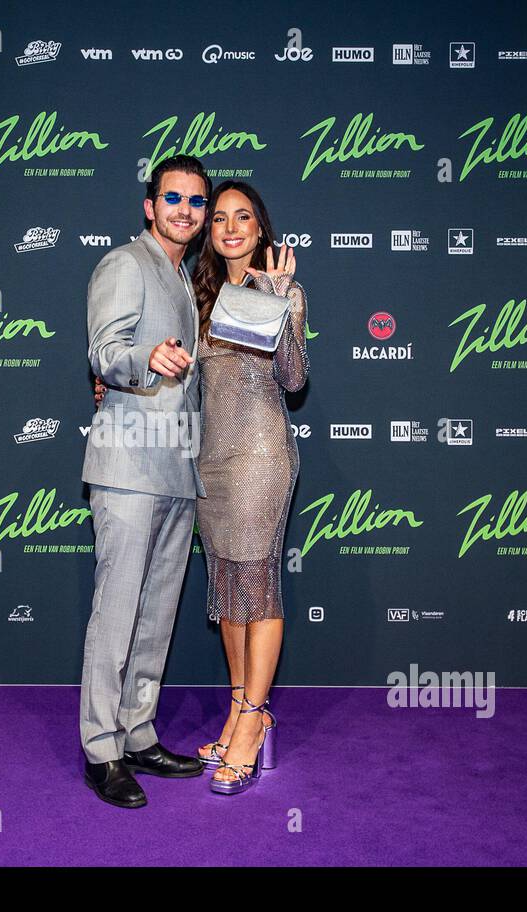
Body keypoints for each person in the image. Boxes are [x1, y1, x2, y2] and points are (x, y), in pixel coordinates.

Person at [78, 155, 211, 808]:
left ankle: (138, 731)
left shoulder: (185, 279)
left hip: (176, 470)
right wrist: (141, 360)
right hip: (129, 469)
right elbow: (106, 350)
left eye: (196, 201)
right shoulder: (124, 264)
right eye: (173, 198)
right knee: (118, 614)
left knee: (156, 618)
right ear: (149, 205)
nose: (185, 209)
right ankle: (101, 749)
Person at [190, 180, 308, 794]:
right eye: (218, 219)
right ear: (209, 233)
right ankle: (239, 708)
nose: (230, 227)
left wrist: (281, 301)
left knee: (257, 581)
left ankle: (255, 722)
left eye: (243, 217)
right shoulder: (200, 294)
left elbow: (292, 380)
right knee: (227, 586)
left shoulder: (279, 288)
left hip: (262, 455)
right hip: (212, 461)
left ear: (260, 228)